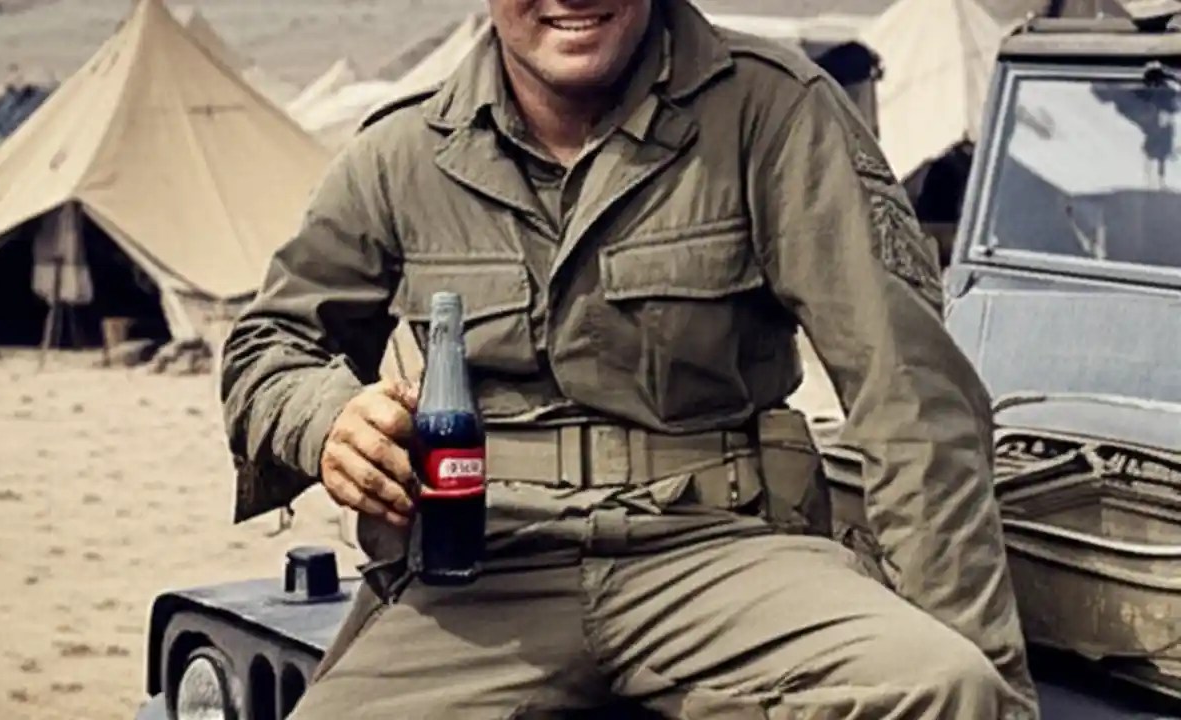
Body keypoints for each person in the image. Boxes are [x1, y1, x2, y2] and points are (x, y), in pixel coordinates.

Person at [220, 0, 1040, 717]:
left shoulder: (770, 112)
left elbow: (910, 397)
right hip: (484, 574)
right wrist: (326, 419)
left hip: (721, 552)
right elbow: (271, 345)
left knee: (944, 685)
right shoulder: (400, 154)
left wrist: (985, 672)